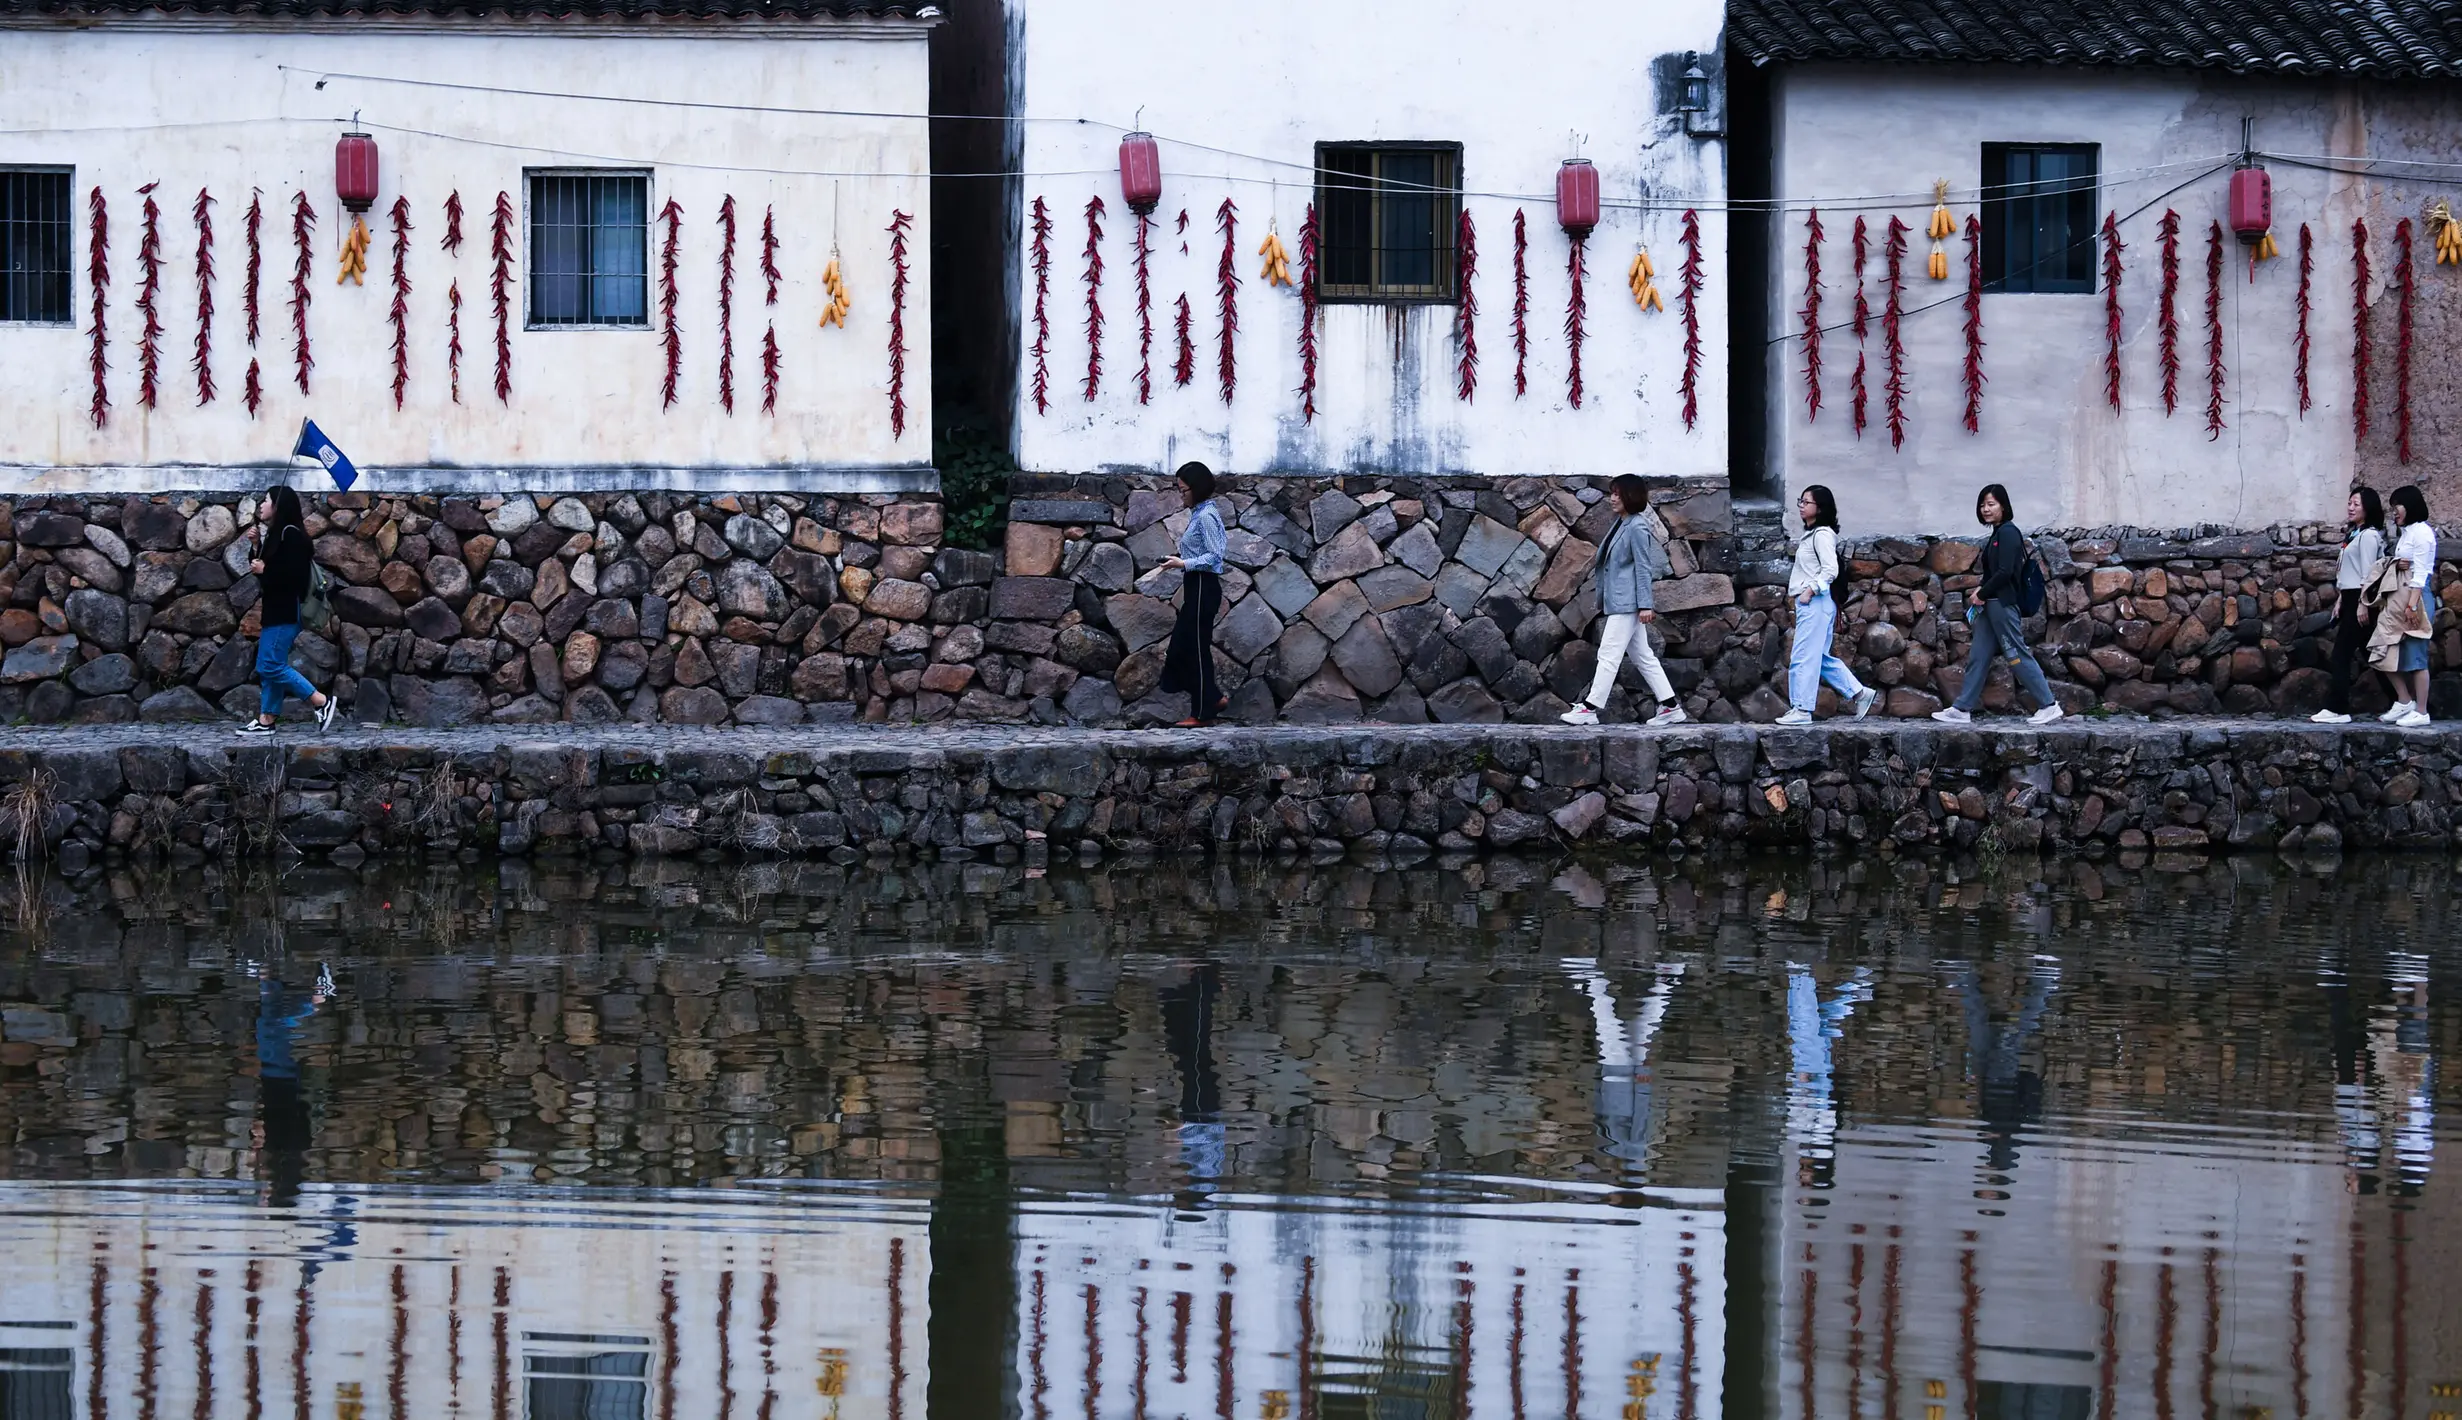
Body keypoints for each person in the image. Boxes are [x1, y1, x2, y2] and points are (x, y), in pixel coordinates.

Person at [1931, 483, 2063, 726]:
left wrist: (1982, 591)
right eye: (1982, 505)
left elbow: (2004, 572)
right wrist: (1983, 594)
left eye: (1991, 504)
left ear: (2004, 506)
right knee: (1979, 656)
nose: (1985, 509)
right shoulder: (1998, 532)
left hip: (2002, 603)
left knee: (2015, 652)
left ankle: (2049, 705)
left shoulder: (2009, 533)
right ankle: (1962, 709)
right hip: (1990, 605)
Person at [1561, 474, 1685, 726]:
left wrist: (1645, 604)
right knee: (1642, 656)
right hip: (1622, 601)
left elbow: (1643, 567)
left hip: (1627, 603)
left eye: (1617, 494)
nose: (1612, 498)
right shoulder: (1624, 523)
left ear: (1631, 496)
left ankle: (1589, 708)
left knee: (1608, 653)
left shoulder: (1637, 526)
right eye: (1612, 493)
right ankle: (1670, 706)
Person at [241, 484, 339, 736]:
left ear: (278, 505)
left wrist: (266, 570)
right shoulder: (277, 534)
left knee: (269, 665)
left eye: (266, 500)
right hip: (276, 609)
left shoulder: (291, 534)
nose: (261, 505)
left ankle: (320, 701)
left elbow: (292, 576)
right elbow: (265, 572)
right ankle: (267, 719)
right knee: (271, 664)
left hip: (286, 610)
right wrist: (256, 545)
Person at [1778, 484, 1877, 725]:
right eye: (1800, 501)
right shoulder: (1813, 534)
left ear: (1820, 508)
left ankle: (1801, 709)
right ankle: (1860, 693)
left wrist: (1810, 590)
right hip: (1815, 604)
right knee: (1818, 658)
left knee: (1803, 656)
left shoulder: (1821, 534)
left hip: (1815, 602)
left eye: (1806, 502)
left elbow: (1830, 569)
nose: (1801, 506)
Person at [1156, 461, 1228, 727]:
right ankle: (1212, 697)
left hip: (1202, 586)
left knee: (1194, 649)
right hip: (1195, 586)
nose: (1181, 495)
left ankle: (1201, 712)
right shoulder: (1200, 513)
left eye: (1183, 490)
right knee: (1183, 646)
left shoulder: (1206, 515)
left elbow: (1215, 556)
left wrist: (1183, 563)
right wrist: (1179, 559)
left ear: (1196, 489)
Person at [2312, 486, 2386, 724]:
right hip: (2351, 597)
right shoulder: (2355, 533)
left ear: (2368, 508)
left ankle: (2338, 708)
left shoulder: (2369, 536)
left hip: (2360, 598)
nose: (2351, 507)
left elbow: (2368, 574)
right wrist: (2341, 599)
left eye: (2356, 503)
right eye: (2350, 502)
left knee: (2342, 655)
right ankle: (2401, 700)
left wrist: (2362, 604)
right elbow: (2349, 572)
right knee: (2370, 654)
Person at [2374, 483, 2437, 728]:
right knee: (2383, 650)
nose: (2394, 513)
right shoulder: (2408, 532)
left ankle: (2421, 711)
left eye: (2396, 506)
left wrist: (2411, 607)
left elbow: (2420, 574)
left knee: (2416, 656)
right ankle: (2404, 700)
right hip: (2399, 598)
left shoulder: (2422, 533)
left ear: (2409, 505)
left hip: (2415, 598)